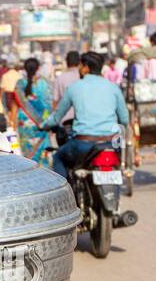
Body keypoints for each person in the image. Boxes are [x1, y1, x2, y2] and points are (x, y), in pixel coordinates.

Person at [42, 50, 129, 182]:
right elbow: (124, 119)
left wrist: (44, 125)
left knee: (58, 158)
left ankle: (68, 198)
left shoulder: (74, 87)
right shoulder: (113, 88)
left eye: (81, 66)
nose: (79, 69)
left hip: (83, 144)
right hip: (111, 143)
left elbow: (56, 117)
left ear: (86, 68)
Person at [13, 57, 52, 164]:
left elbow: (15, 105)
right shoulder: (44, 83)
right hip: (41, 124)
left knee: (27, 156)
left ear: (24, 68)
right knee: (42, 155)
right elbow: (49, 104)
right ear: (38, 68)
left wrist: (12, 122)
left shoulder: (20, 84)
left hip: (25, 124)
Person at [51, 50, 82, 146]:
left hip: (64, 124)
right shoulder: (83, 77)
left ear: (67, 62)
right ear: (79, 62)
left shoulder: (60, 78)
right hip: (83, 123)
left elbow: (55, 103)